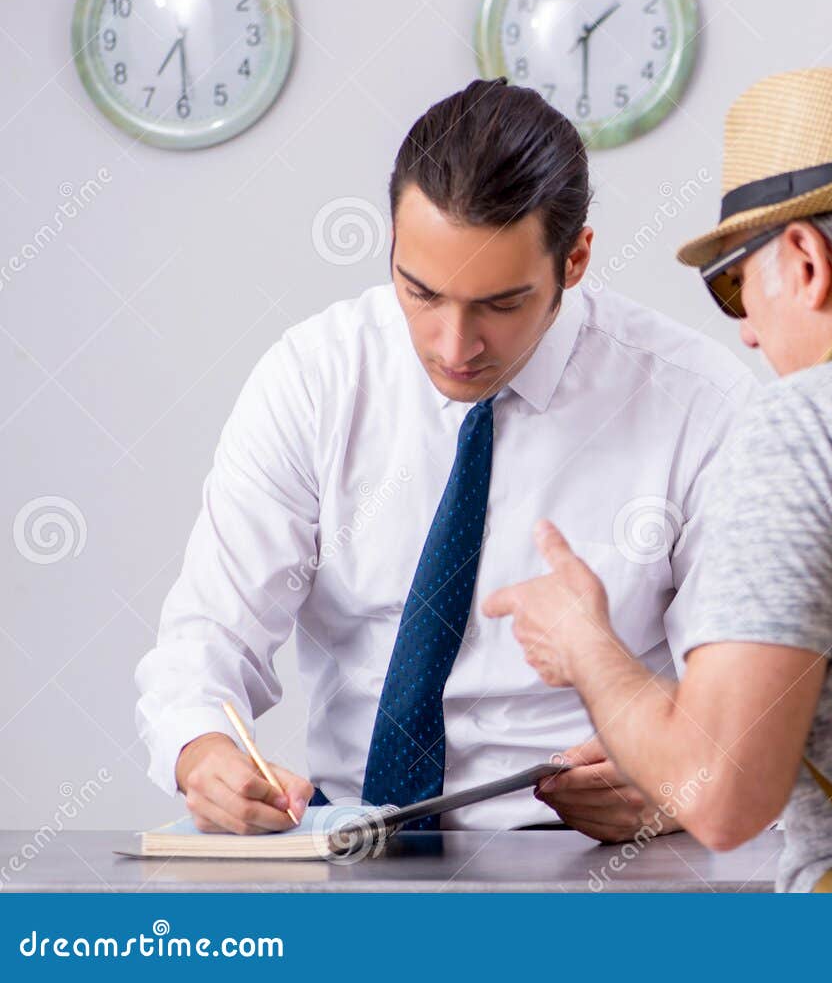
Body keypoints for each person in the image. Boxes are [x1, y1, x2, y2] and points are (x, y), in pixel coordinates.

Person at [134, 78, 752, 838]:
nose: (454, 348)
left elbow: (759, 705)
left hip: (597, 856)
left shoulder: (700, 403)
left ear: (577, 257)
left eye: (501, 304)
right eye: (421, 292)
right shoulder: (316, 378)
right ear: (391, 245)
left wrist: (673, 783)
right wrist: (203, 752)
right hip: (352, 842)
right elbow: (207, 639)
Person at [485, 65, 832, 891]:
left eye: (735, 284)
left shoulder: (813, 423)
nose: (750, 340)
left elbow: (721, 794)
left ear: (805, 261)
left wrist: (586, 645)